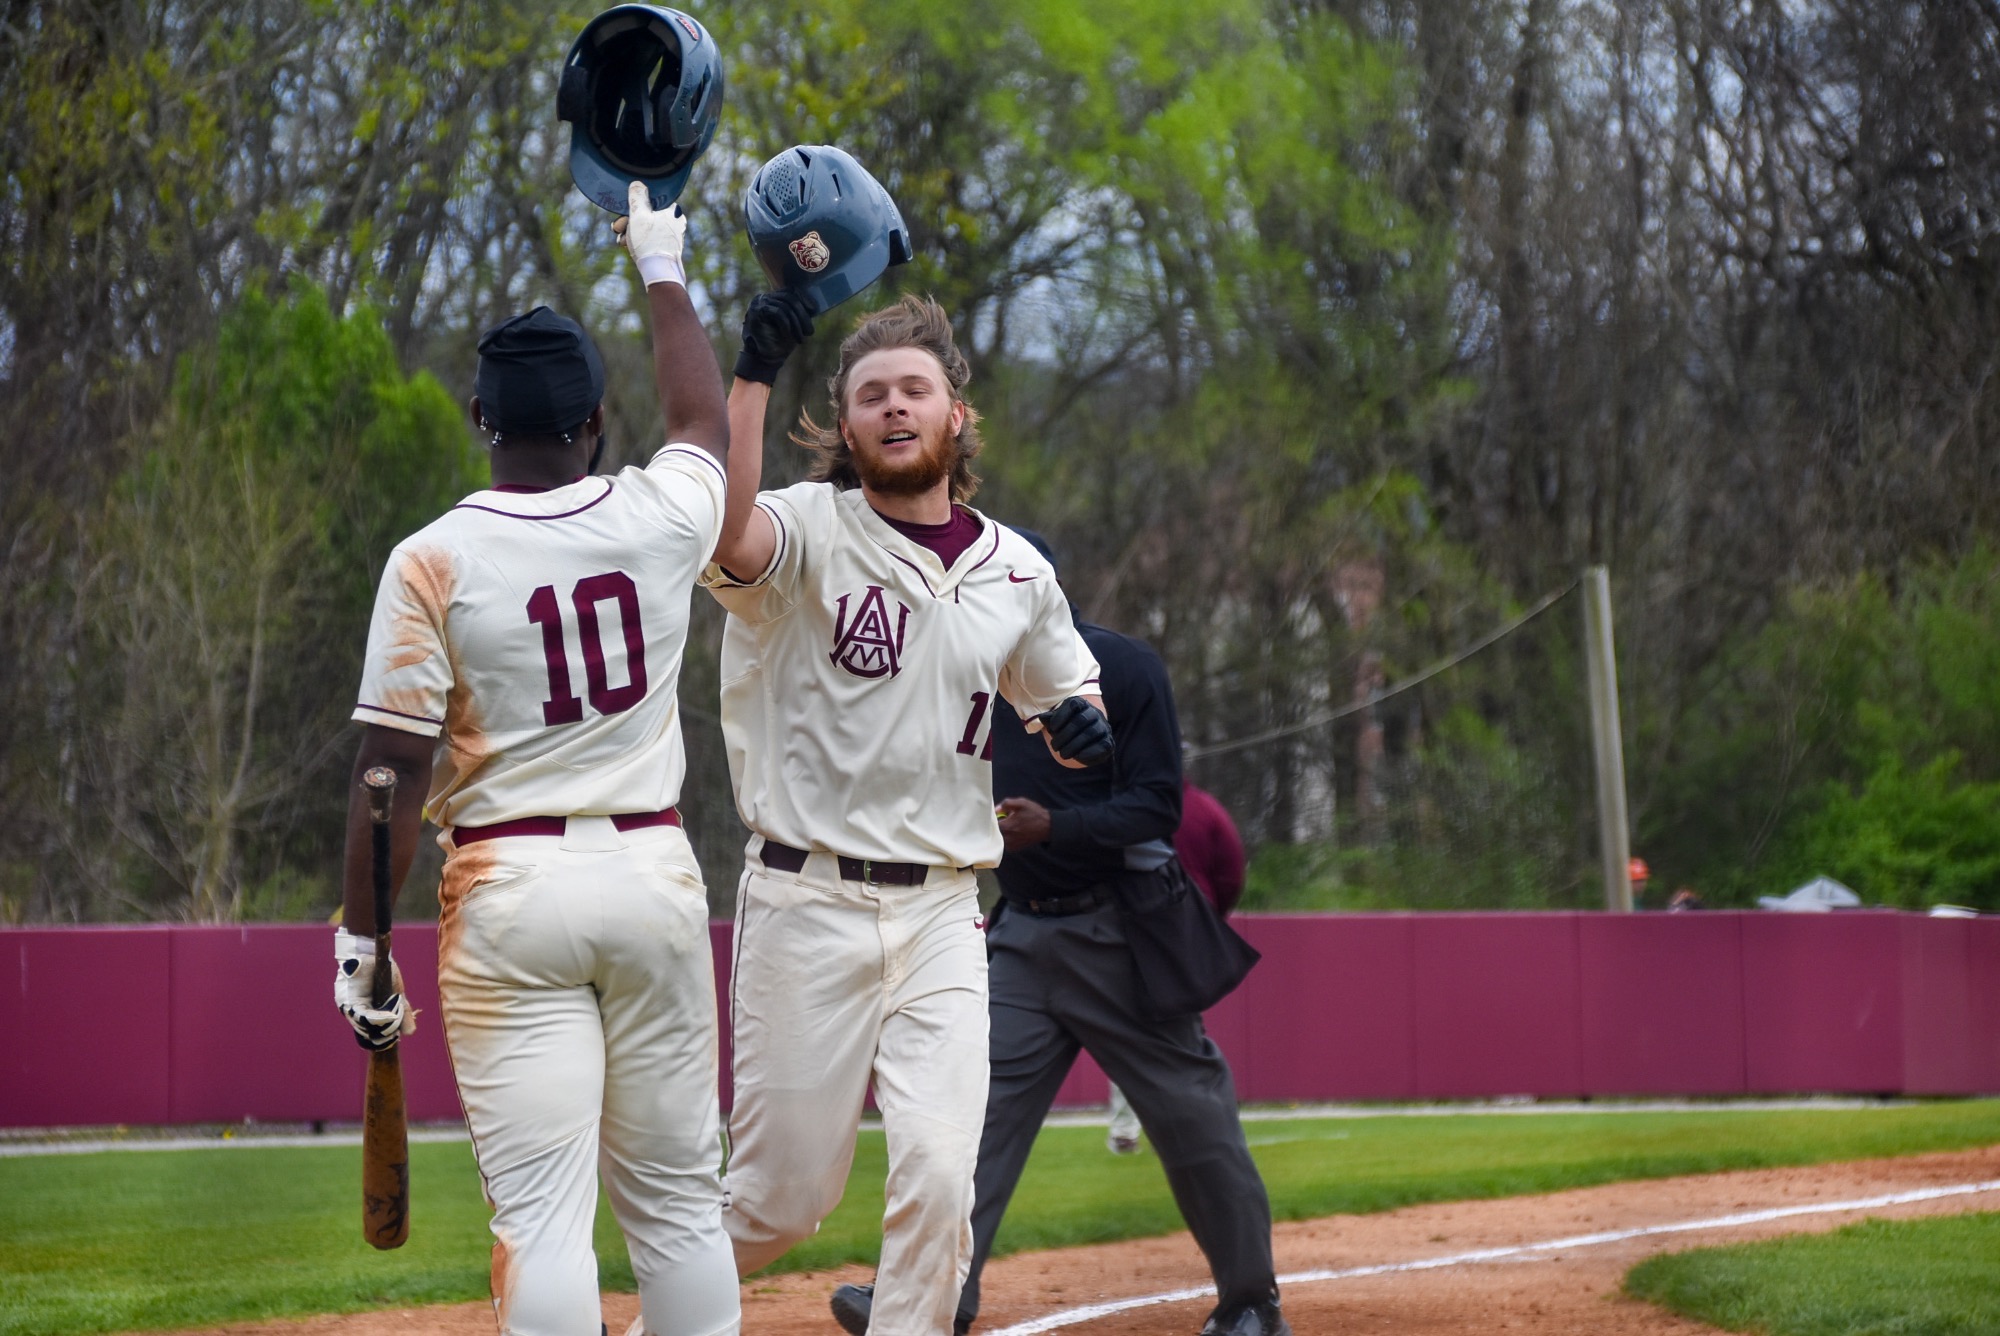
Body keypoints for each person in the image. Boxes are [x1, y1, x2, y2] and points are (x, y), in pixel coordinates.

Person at [334, 184, 739, 1336]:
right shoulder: (658, 515)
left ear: (478, 416)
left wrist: (362, 942)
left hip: (510, 892)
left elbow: (388, 776)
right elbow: (703, 425)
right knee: (675, 1208)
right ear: (596, 422)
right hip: (653, 877)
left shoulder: (432, 558)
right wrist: (660, 263)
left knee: (547, 1219)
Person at [702, 293, 1113, 1336]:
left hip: (941, 909)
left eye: (913, 390)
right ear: (844, 427)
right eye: (870, 395)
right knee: (778, 1200)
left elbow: (1071, 697)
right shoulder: (804, 529)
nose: (893, 407)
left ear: (955, 417)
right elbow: (724, 533)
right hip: (806, 899)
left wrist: (1080, 728)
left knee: (938, 1173)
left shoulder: (1015, 569)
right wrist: (750, 376)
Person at [826, 531, 1289, 1336]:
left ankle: (1251, 1303)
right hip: (1022, 941)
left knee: (1193, 1121)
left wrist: (1057, 829)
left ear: (1042, 592)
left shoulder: (1123, 667)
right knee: (965, 1123)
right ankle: (925, 1301)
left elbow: (1157, 807)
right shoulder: (958, 679)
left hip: (1123, 933)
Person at [1105, 773, 1248, 1153]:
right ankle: (1200, 1123)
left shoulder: (1126, 803)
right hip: (1184, 929)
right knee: (1182, 1036)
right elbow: (1231, 873)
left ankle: (1129, 1127)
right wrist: (1210, 918)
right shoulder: (1204, 808)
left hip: (1129, 926)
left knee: (1125, 1030)